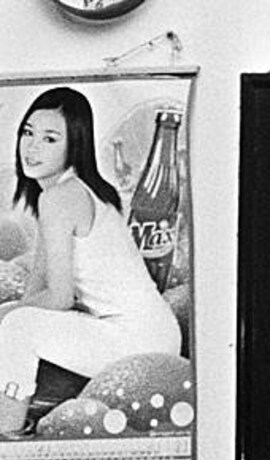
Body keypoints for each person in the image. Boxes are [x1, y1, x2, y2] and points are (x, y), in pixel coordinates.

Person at [0, 86, 179, 434]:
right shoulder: (65, 194)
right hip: (150, 331)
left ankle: (6, 431)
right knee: (15, 322)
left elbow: (59, 297)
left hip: (140, 340)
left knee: (19, 328)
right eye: (28, 133)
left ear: (74, 145)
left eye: (50, 139)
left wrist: (8, 320)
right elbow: (39, 284)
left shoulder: (63, 198)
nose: (32, 147)